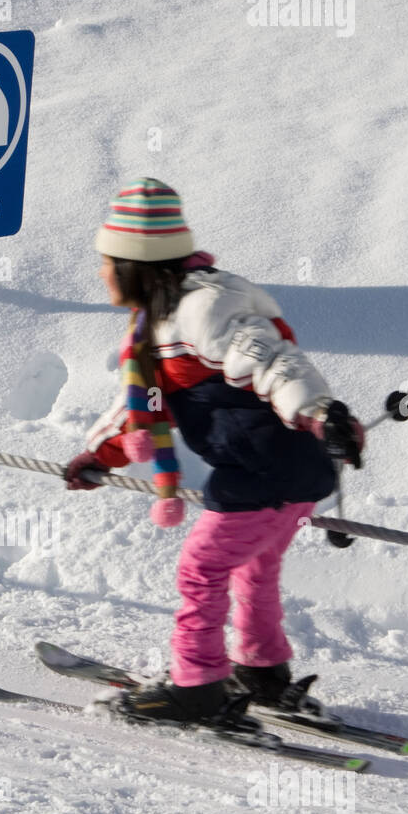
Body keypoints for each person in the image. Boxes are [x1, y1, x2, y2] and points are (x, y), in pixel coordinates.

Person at [65, 177, 365, 725]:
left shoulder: (202, 307)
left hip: (259, 473)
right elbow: (142, 404)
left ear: (134, 263)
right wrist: (102, 458)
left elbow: (274, 361)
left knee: (201, 572)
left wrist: (322, 412)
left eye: (107, 261)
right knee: (255, 568)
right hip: (292, 473)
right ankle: (262, 671)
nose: (101, 272)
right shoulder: (162, 321)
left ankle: (196, 686)